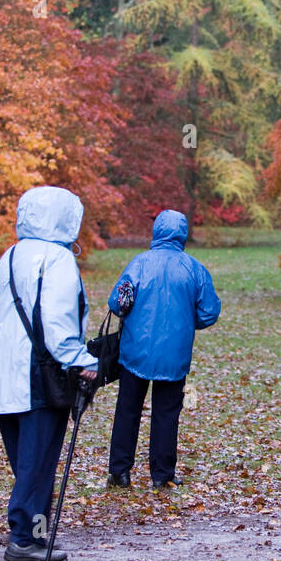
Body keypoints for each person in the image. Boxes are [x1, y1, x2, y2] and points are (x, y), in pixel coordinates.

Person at [0, 186, 98, 561]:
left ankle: (33, 531)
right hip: (38, 376)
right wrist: (83, 360)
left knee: (25, 461)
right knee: (39, 459)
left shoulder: (10, 255)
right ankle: (24, 537)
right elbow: (57, 322)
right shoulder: (58, 259)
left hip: (3, 375)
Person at [105, 210, 220, 489]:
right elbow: (209, 312)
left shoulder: (139, 264)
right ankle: (162, 474)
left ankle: (120, 471)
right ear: (182, 233)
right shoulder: (194, 268)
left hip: (136, 351)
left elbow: (116, 302)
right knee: (167, 413)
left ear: (156, 231)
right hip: (174, 353)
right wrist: (185, 322)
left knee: (128, 409)